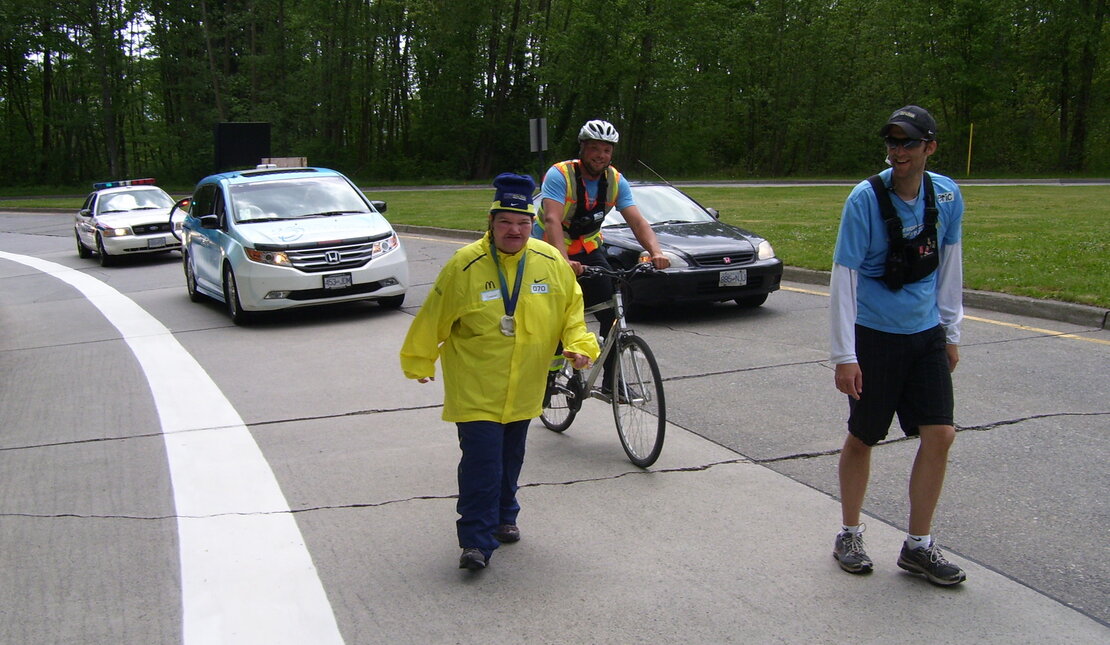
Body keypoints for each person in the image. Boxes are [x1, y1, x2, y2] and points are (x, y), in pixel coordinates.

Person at [400, 172, 600, 572]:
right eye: (506, 222)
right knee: (482, 462)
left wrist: (579, 346)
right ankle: (475, 540)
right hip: (476, 387)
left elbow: (571, 314)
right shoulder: (465, 265)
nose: (515, 230)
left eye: (523, 223)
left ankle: (506, 514)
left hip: (526, 384)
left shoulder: (549, 263)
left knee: (511, 456)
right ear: (490, 223)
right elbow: (434, 315)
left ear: (533, 224)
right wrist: (421, 360)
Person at [828, 105, 967, 586]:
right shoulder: (865, 199)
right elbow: (844, 276)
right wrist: (845, 355)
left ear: (929, 147)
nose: (897, 151)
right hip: (874, 336)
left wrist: (951, 332)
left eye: (908, 142)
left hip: (925, 334)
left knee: (941, 433)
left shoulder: (947, 195)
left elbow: (950, 264)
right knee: (864, 437)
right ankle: (849, 532)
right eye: (892, 142)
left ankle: (918, 546)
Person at [534, 119, 669, 394]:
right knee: (556, 315)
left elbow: (637, 221)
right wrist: (562, 261)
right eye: (595, 148)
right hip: (549, 249)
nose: (601, 155)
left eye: (606, 150)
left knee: (612, 309)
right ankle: (547, 376)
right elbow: (552, 220)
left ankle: (612, 382)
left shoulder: (615, 180)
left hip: (588, 249)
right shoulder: (561, 175)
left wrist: (656, 252)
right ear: (582, 148)